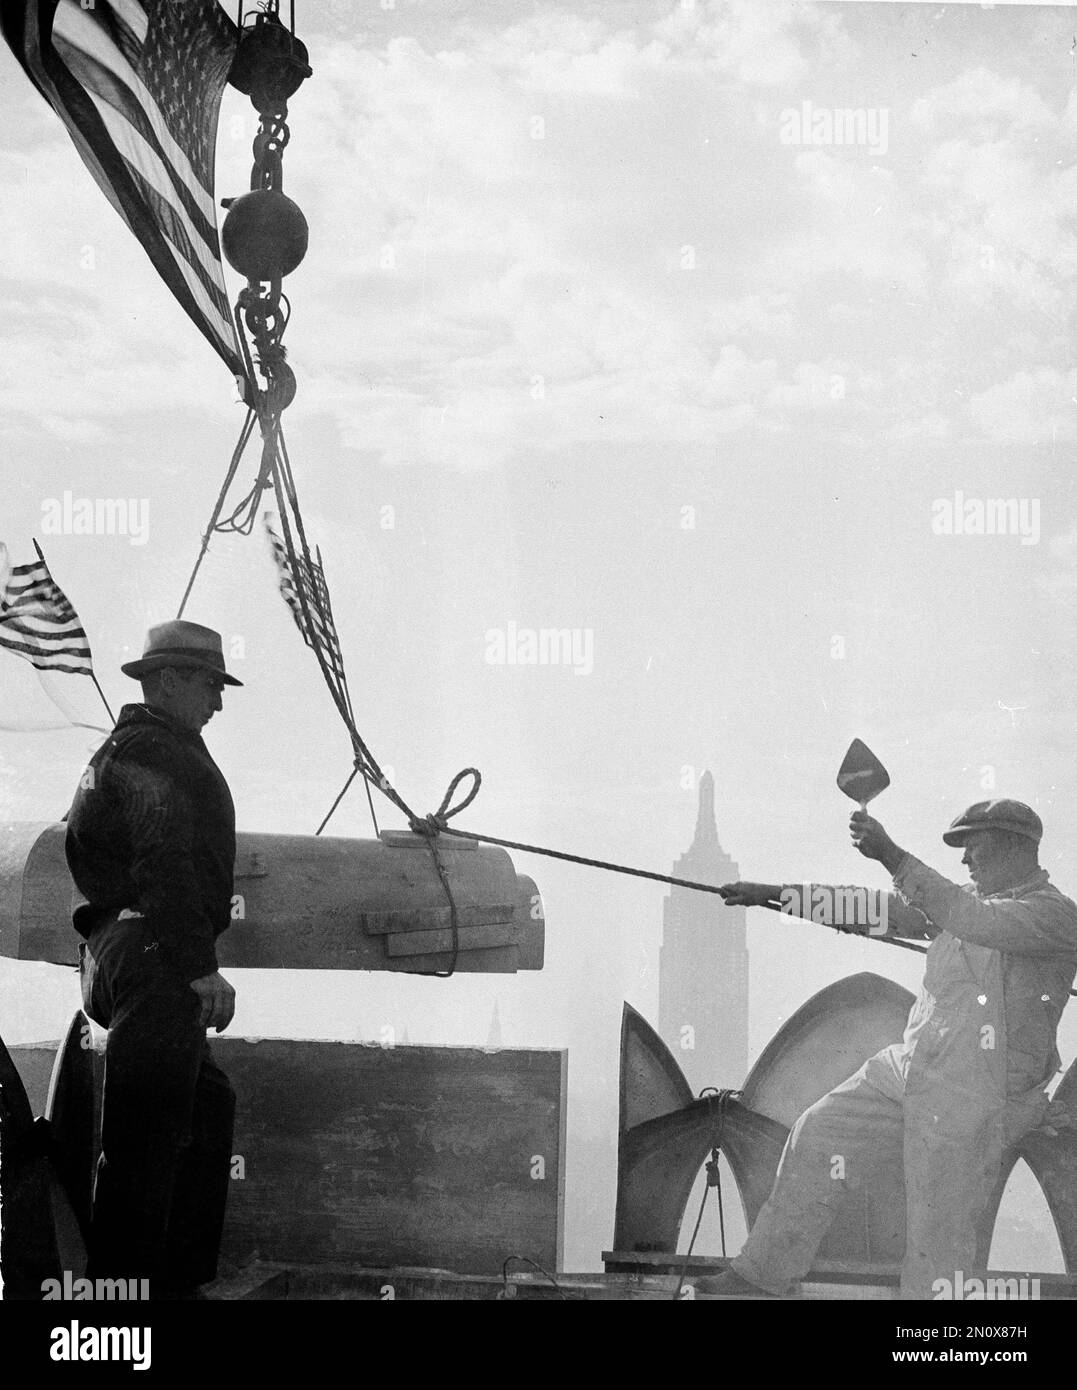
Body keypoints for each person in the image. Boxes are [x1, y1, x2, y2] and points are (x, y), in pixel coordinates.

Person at [700, 798, 1077, 1300]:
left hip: (978, 1100)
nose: (965, 860)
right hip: (911, 1071)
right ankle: (759, 1277)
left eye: (974, 847)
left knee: (939, 1241)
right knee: (818, 1134)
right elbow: (875, 909)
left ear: (1013, 846)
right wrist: (771, 894)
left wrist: (891, 854)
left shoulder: (1052, 915)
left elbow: (975, 920)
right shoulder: (960, 901)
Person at [65, 620, 242, 1300]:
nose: (217, 702)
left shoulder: (129, 750)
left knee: (203, 1106)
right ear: (165, 682)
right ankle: (120, 1308)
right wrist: (199, 964)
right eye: (207, 684)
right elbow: (162, 857)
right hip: (152, 952)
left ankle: (176, 1282)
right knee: (146, 1139)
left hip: (129, 948)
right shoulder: (155, 752)